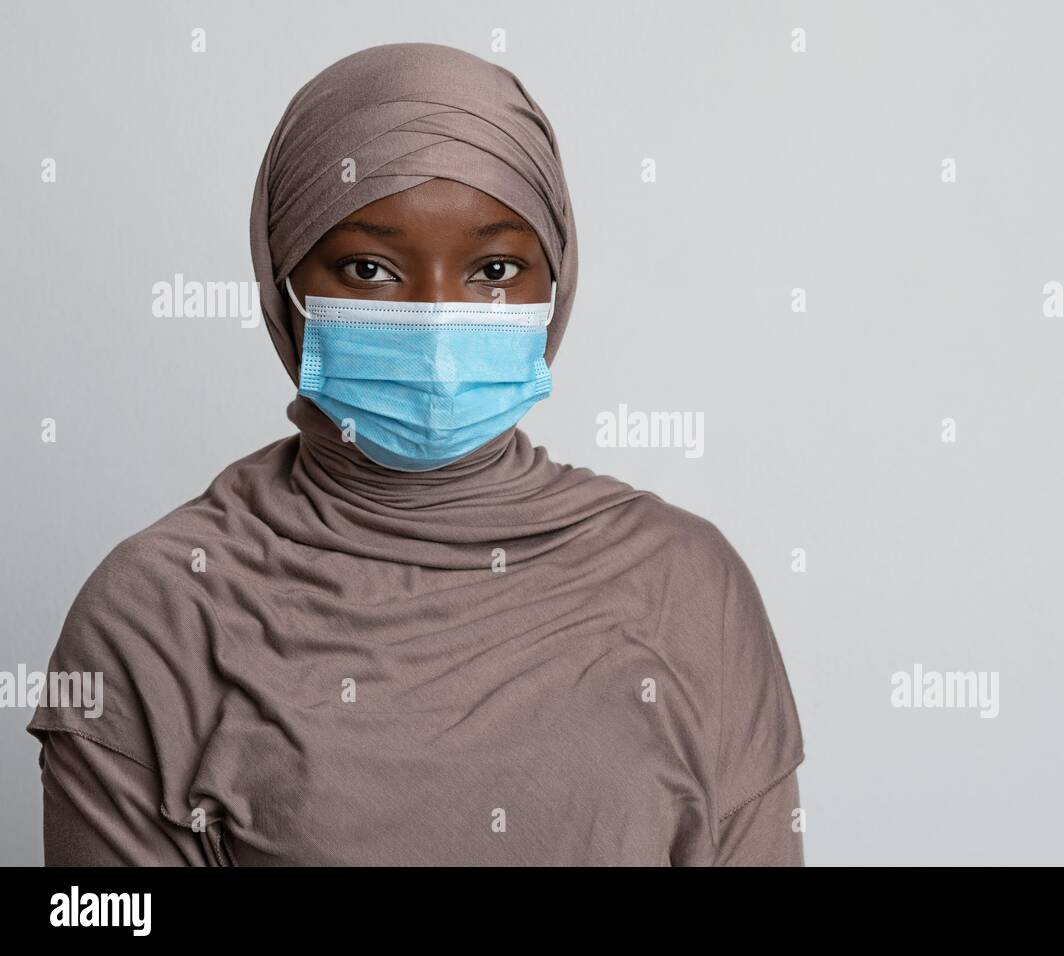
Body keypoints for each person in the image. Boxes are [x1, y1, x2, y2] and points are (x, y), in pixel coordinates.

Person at [27, 42, 805, 866]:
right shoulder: (156, 616)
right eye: (370, 269)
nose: (437, 322)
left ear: (556, 286)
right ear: (284, 285)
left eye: (494, 269)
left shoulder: (687, 587)